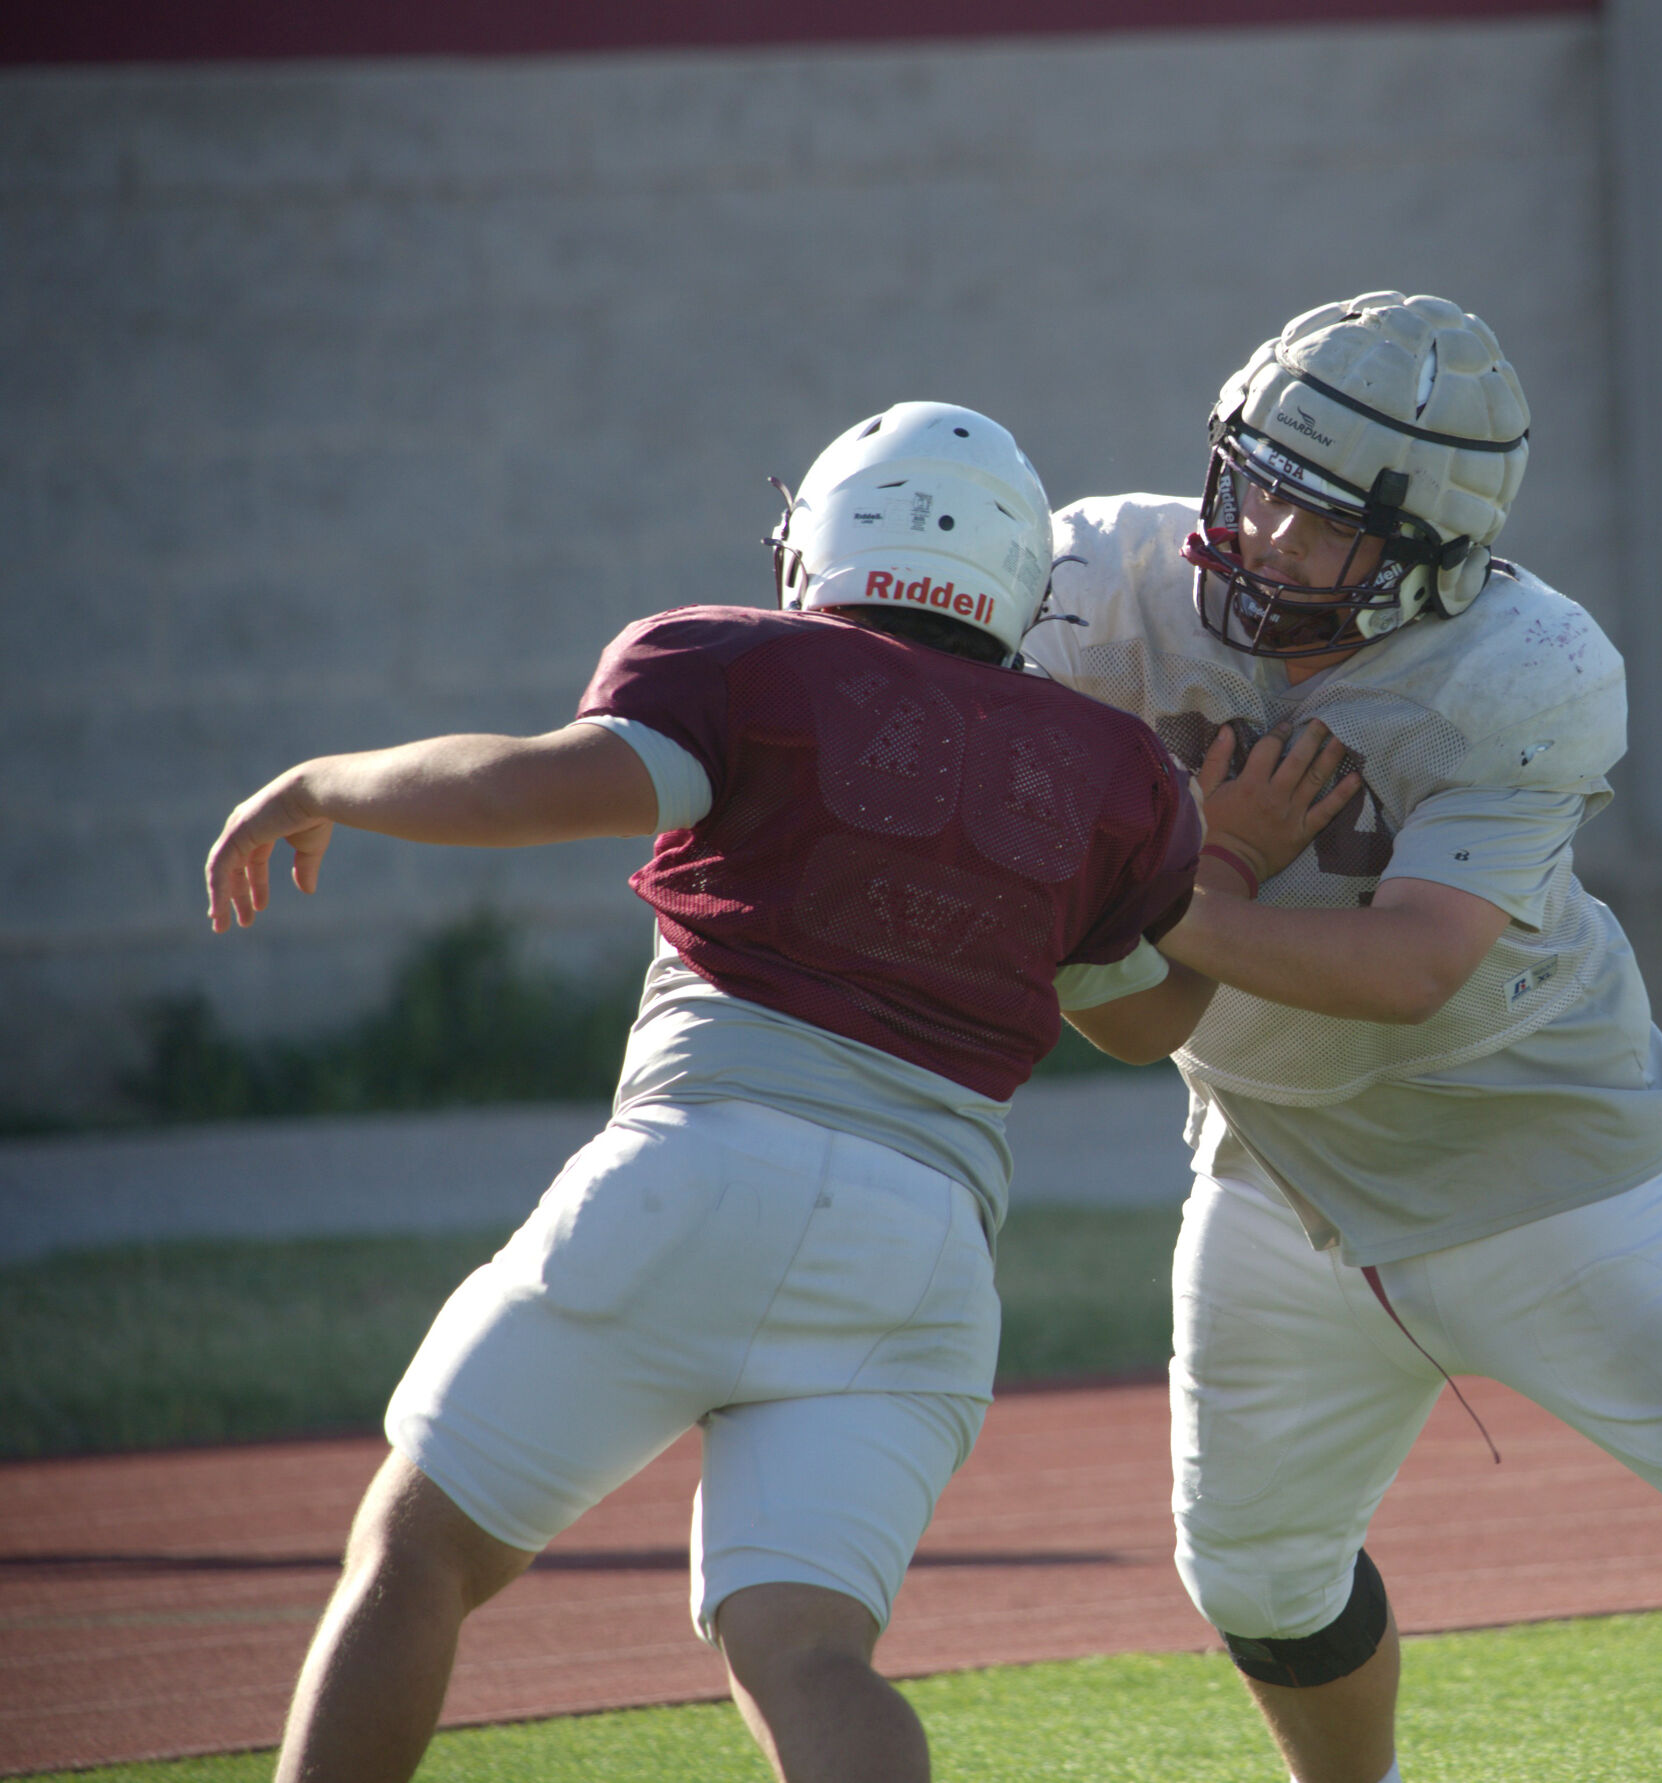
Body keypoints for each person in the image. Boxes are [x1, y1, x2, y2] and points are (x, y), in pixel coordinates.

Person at [203, 400, 1356, 1783]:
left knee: (418, 1555)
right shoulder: (1106, 771)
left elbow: (521, 788)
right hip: (922, 1256)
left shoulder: (741, 665)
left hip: (696, 1171)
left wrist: (325, 781)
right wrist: (1225, 868)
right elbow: (1142, 1022)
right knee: (806, 1655)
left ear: (817, 543)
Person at [1026, 295, 1662, 1783]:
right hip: (1273, 1162)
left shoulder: (1525, 663)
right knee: (1252, 1571)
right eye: (1253, 484)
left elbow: (1411, 966)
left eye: (1323, 523)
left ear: (1428, 554)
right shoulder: (1094, 580)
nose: (1261, 539)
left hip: (1536, 1153)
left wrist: (1176, 882)